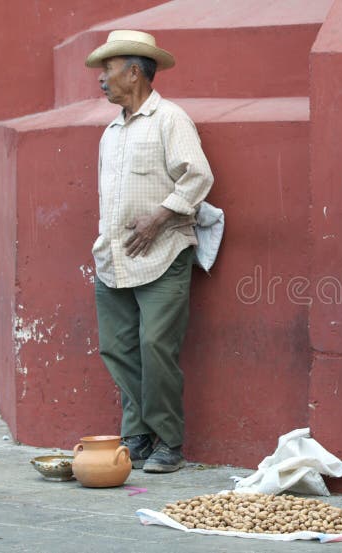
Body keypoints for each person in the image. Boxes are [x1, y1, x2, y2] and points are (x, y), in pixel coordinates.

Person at [85, 30, 213, 473]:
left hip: (163, 253)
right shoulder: (111, 132)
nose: (102, 79)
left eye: (109, 69)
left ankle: (168, 443)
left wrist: (160, 217)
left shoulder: (170, 119)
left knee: (156, 346)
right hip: (114, 257)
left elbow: (197, 177)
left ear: (134, 71)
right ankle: (137, 434)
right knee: (117, 348)